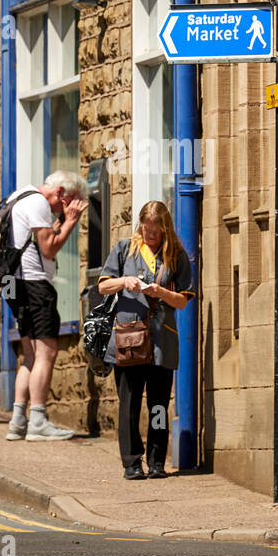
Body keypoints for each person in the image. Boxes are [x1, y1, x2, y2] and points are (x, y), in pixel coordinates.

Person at [96, 201, 194, 479]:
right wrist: (125, 281)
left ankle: (156, 461)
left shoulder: (176, 256)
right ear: (140, 225)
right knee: (129, 403)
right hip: (129, 338)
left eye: (156, 231)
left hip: (163, 341)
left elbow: (183, 301)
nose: (150, 235)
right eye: (146, 229)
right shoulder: (124, 249)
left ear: (165, 229)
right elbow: (103, 286)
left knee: (159, 404)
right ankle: (131, 462)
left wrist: (160, 292)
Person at [4, 169, 89, 442]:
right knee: (47, 352)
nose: (65, 210)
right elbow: (49, 249)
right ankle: (38, 419)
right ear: (60, 193)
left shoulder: (20, 195)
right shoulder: (40, 202)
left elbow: (31, 240)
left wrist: (59, 222)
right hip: (35, 285)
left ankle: (18, 420)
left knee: (29, 352)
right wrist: (71, 221)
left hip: (14, 283)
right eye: (70, 202)